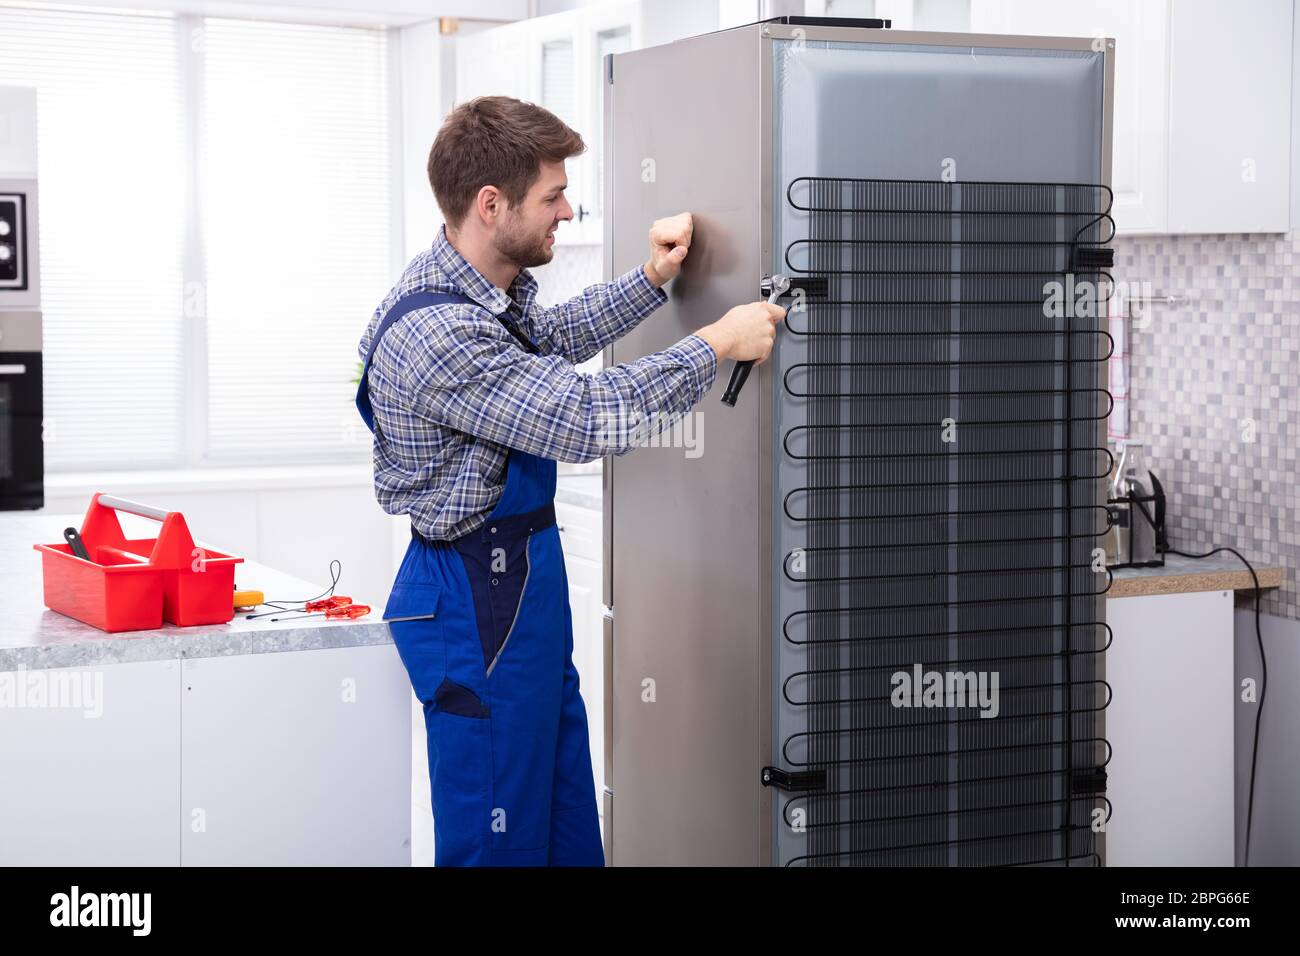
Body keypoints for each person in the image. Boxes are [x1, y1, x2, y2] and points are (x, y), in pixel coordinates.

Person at [355, 95, 783, 866]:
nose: (566, 209)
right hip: (472, 599)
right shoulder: (438, 329)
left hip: (519, 585)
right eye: (552, 196)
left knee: (561, 825)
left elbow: (552, 337)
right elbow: (584, 416)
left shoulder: (479, 289)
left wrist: (653, 279)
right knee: (500, 838)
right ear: (492, 206)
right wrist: (716, 343)